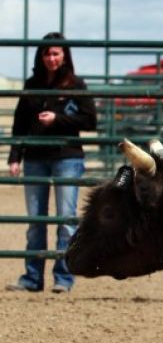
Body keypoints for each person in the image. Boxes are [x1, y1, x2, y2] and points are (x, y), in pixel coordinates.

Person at [6, 32, 97, 293]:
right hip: (35, 157)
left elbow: (90, 121)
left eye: (56, 53)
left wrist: (57, 120)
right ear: (41, 56)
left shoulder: (75, 84)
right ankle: (32, 277)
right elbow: (19, 124)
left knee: (66, 219)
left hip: (67, 156)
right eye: (47, 53)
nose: (51, 58)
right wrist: (16, 156)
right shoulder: (32, 84)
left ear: (65, 56)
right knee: (36, 220)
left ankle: (63, 277)